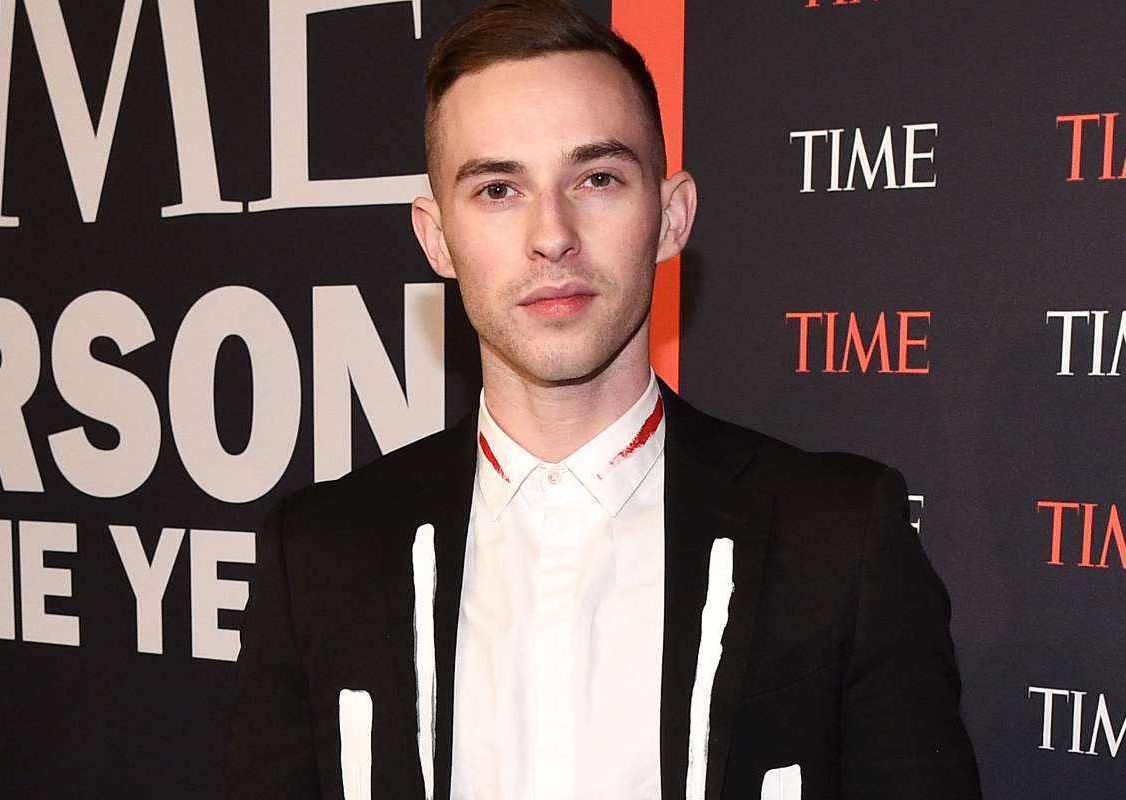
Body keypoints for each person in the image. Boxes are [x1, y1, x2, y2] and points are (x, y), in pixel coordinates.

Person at [223, 1, 980, 798]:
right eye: (497, 189)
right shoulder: (315, 556)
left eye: (598, 178)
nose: (552, 234)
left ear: (670, 215)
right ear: (436, 237)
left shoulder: (840, 541)